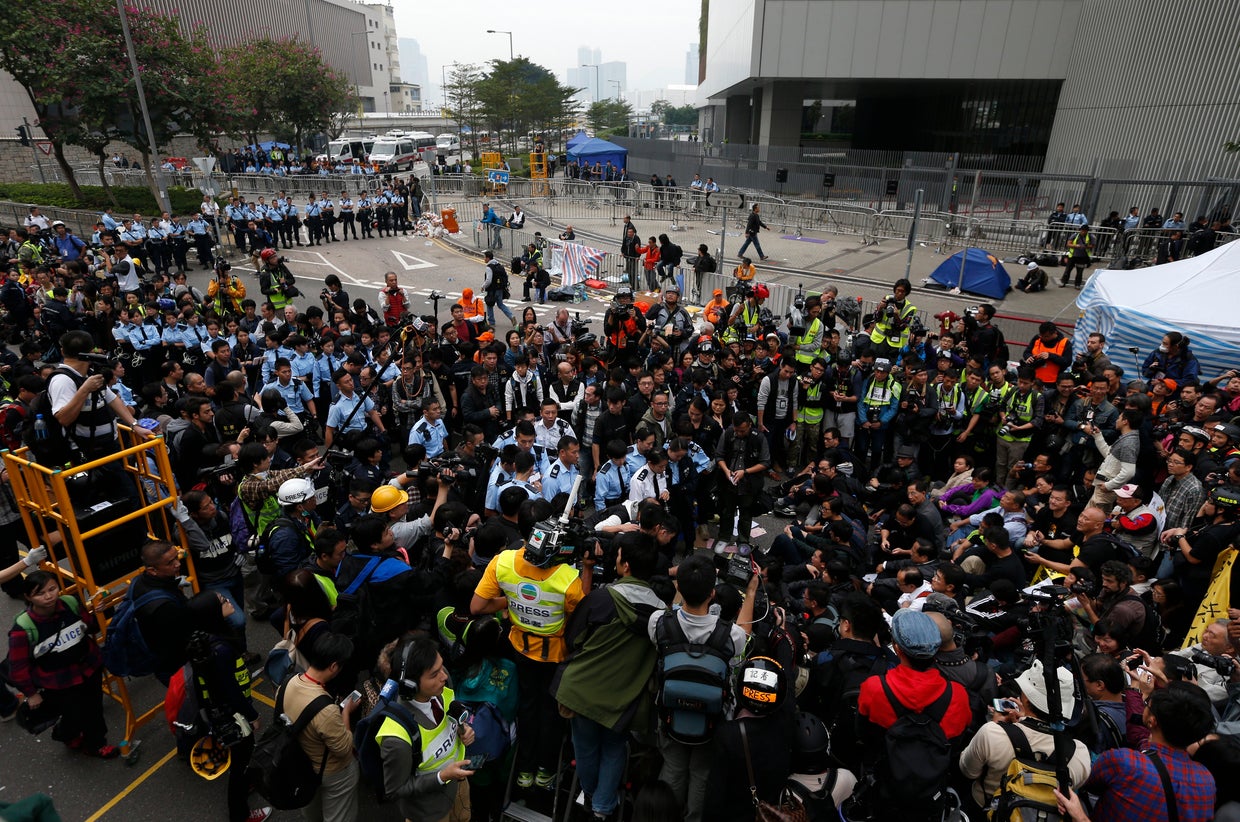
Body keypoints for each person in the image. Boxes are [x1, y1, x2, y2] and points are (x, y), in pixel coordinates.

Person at [471, 518, 593, 791]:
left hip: (521, 651)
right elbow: (584, 614)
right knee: (550, 713)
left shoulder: (502, 562)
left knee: (526, 709)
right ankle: (545, 771)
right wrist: (587, 568)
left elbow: (477, 606)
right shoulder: (567, 579)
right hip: (555, 659)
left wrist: (511, 600)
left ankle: (524, 771)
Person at [552, 538, 663, 822]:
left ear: (625, 566)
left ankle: (592, 797)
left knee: (585, 746)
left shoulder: (602, 599)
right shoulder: (661, 615)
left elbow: (573, 638)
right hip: (626, 699)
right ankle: (602, 807)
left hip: (583, 691)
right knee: (615, 747)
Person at [856, 608, 971, 818]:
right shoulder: (958, 695)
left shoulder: (875, 688)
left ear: (897, 648)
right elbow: (956, 744)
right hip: (932, 793)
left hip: (886, 789)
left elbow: (864, 734)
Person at [6, 570, 120, 758]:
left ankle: (96, 744)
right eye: (40, 593)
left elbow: (91, 626)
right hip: (58, 683)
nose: (48, 596)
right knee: (72, 714)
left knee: (94, 708)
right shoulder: (23, 629)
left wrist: (102, 611)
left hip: (89, 669)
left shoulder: (71, 603)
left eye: (52, 589)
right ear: (28, 597)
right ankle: (66, 734)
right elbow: (18, 668)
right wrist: (31, 694)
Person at [957, 658, 1091, 813]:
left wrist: (998, 725)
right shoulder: (1079, 753)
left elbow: (968, 771)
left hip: (987, 810)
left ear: (1026, 698)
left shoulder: (992, 733)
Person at [184, 592, 269, 822]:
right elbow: (231, 691)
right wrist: (252, 715)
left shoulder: (202, 641)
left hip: (219, 713)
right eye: (223, 601)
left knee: (242, 758)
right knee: (241, 762)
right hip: (233, 716)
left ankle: (246, 784)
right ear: (212, 613)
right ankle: (240, 814)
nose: (228, 601)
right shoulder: (221, 650)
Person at [1084, 676, 1216, 821]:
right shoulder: (1206, 780)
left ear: (1151, 721)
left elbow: (1088, 784)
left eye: (1147, 704)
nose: (1145, 705)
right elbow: (1141, 738)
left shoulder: (1122, 761)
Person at [376, 637, 476, 821]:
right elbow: (395, 790)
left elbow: (446, 722)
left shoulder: (441, 685)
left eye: (442, 667)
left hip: (458, 786)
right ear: (411, 685)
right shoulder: (396, 738)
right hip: (429, 811)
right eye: (434, 674)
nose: (444, 676)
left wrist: (463, 729)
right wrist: (441, 776)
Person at [283, 631, 361, 822]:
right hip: (332, 772)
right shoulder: (326, 710)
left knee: (312, 809)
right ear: (333, 666)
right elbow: (344, 750)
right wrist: (346, 712)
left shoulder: (287, 683)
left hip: (301, 763)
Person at [714, 412, 771, 552]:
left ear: (749, 425)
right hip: (728, 481)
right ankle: (724, 537)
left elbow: (765, 462)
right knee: (727, 511)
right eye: (736, 430)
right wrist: (726, 470)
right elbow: (719, 456)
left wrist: (745, 472)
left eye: (742, 431)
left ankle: (743, 540)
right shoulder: (728, 434)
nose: (739, 433)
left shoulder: (759, 438)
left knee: (746, 512)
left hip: (749, 483)